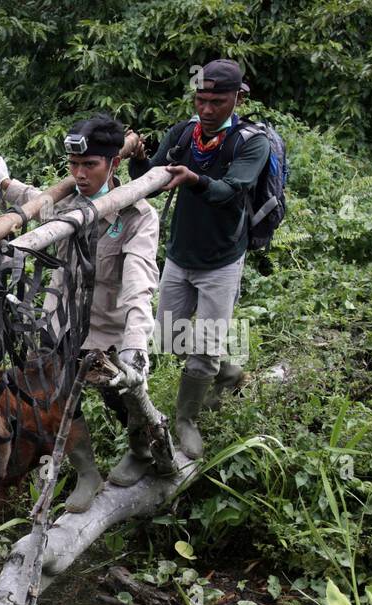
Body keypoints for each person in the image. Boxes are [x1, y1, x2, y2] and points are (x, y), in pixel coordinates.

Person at [0, 113, 162, 510]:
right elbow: (35, 200)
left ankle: (143, 452)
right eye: (74, 165)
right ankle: (86, 472)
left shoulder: (138, 217)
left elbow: (138, 286)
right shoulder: (67, 202)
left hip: (110, 328)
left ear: (113, 164)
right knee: (55, 394)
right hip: (61, 322)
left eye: (90, 165)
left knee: (125, 399)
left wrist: (135, 346)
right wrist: (5, 182)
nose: (80, 174)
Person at [128, 58, 270, 459]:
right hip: (179, 255)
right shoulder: (184, 133)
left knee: (203, 346)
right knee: (169, 338)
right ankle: (227, 371)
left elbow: (231, 189)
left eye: (217, 102)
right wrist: (140, 159)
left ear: (238, 98)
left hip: (222, 261)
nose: (207, 110)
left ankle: (185, 419)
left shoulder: (250, 141)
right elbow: (151, 182)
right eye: (201, 100)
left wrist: (195, 179)